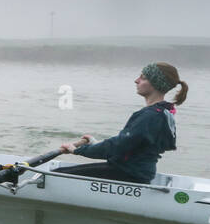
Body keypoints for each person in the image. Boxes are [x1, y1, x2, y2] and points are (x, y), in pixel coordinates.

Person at [57, 62, 187, 183]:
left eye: (143, 78)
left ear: (154, 83)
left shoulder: (150, 116)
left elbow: (117, 146)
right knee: (62, 173)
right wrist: (94, 144)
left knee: (57, 175)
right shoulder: (165, 113)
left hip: (129, 174)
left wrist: (77, 150)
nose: (136, 81)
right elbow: (131, 145)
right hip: (136, 171)